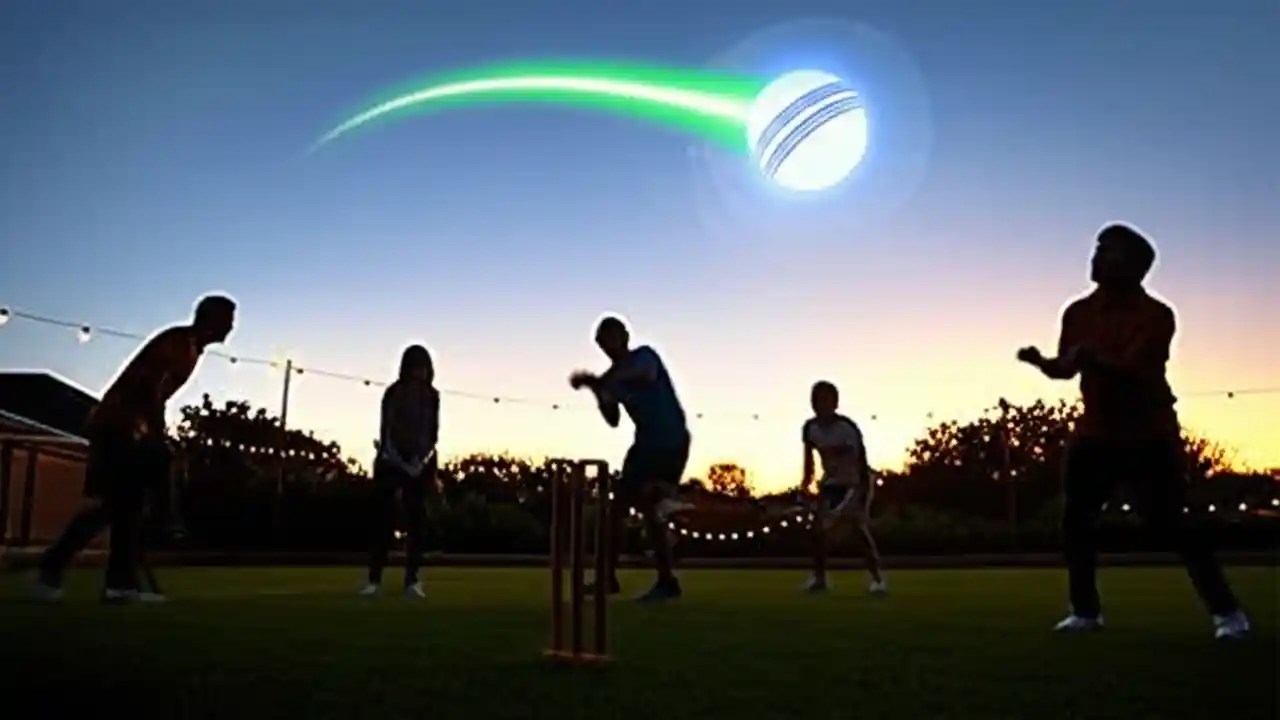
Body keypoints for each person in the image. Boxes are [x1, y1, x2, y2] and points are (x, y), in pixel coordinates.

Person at [1017, 223, 1249, 640]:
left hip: (1147, 432)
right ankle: (1085, 613)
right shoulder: (1078, 312)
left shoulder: (1157, 315)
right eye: (1097, 249)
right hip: (1094, 434)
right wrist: (1042, 363)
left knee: (1172, 524)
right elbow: (1067, 367)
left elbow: (1138, 370)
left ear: (1137, 268)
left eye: (1110, 252)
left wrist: (1093, 358)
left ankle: (1228, 615)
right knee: (1076, 522)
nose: (1097, 257)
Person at [34, 294, 236, 604]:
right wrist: (158, 433)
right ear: (212, 319)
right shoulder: (178, 343)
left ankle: (113, 582)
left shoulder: (192, 349)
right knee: (121, 504)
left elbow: (157, 394)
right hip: (118, 425)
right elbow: (149, 388)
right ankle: (85, 570)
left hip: (131, 428)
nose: (232, 327)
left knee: (121, 507)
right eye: (228, 319)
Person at [569, 316, 690, 602]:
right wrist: (600, 394)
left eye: (612, 338)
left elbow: (643, 375)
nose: (608, 347)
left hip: (669, 439)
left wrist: (597, 382)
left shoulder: (644, 356)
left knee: (651, 506)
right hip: (645, 443)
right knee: (623, 510)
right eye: (603, 343)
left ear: (624, 335)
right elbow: (613, 419)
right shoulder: (612, 378)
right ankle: (617, 578)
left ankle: (661, 579)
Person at [360, 345, 439, 599]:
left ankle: (413, 581)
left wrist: (421, 461)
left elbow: (432, 433)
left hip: (420, 466)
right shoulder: (394, 393)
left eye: (423, 368)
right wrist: (398, 459)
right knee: (382, 521)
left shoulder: (432, 396)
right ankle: (374, 580)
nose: (419, 373)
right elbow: (386, 430)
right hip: (390, 463)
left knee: (417, 524)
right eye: (415, 368)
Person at [799, 381, 886, 595]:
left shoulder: (847, 428)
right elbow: (809, 464)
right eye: (816, 400)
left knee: (858, 531)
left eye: (825, 399)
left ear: (835, 402)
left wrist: (860, 495)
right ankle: (820, 580)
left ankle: (878, 580)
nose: (820, 405)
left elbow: (862, 463)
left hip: (855, 483)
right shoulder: (810, 429)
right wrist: (804, 487)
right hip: (830, 485)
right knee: (818, 532)